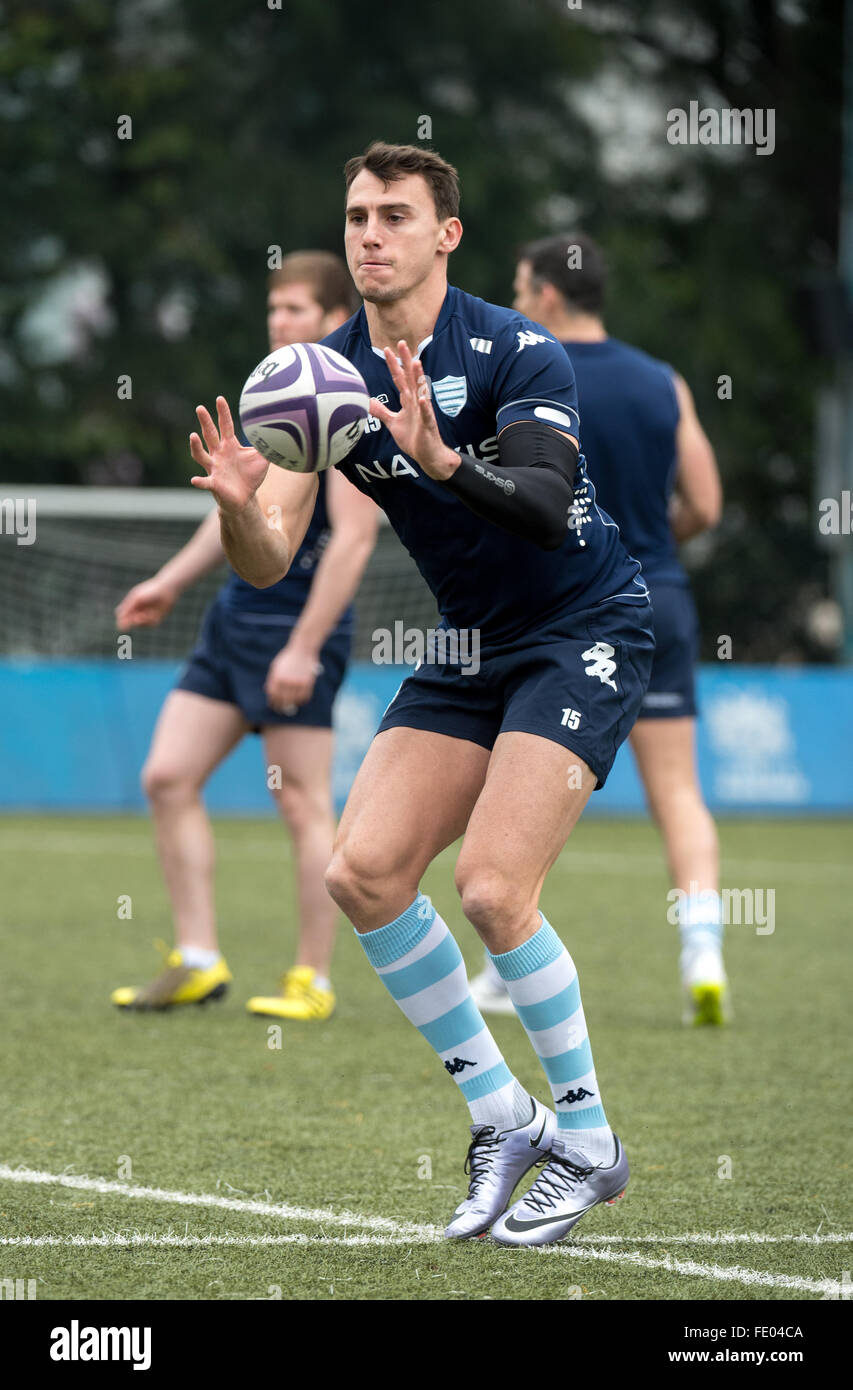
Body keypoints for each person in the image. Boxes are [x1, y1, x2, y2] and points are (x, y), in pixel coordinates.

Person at [188, 143, 654, 1247]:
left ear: (445, 235)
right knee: (363, 871)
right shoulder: (322, 375)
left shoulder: (515, 346)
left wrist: (443, 462)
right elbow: (270, 555)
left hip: (581, 623)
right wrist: (236, 505)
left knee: (494, 888)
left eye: (393, 215)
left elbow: (543, 505)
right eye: (355, 215)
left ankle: (586, 1143)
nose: (368, 235)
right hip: (471, 642)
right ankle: (502, 1115)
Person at [112, 251, 379, 1021]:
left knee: (300, 804)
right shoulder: (277, 400)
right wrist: (168, 581)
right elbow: (240, 512)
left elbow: (355, 542)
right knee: (167, 776)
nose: (278, 322)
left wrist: (303, 646)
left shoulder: (338, 403)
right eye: (273, 310)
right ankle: (198, 957)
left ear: (334, 317)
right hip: (232, 624)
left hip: (296, 635)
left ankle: (312, 978)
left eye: (295, 309)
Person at [472, 233, 725, 1026]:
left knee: (532, 787)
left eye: (519, 287)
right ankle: (704, 952)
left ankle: (500, 972)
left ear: (547, 294)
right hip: (662, 597)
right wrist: (653, 543)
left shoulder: (527, 373)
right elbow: (707, 506)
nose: (514, 303)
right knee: (677, 790)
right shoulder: (664, 381)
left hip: (566, 611)